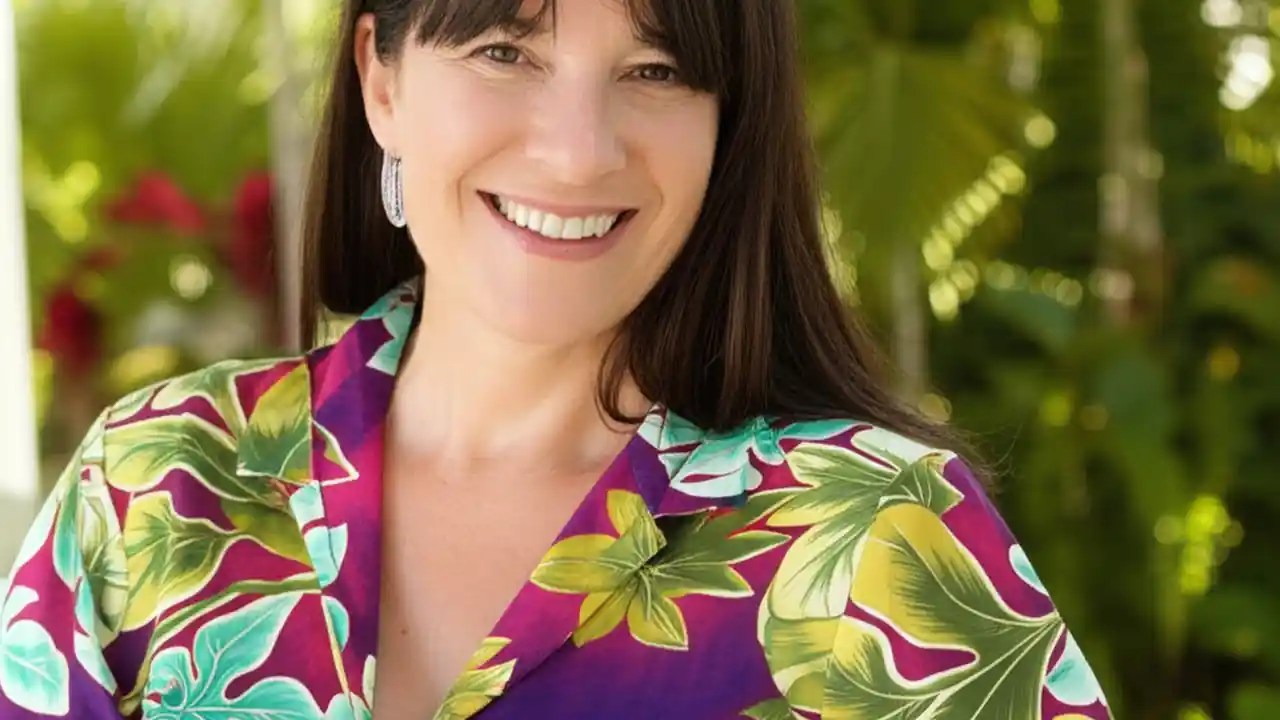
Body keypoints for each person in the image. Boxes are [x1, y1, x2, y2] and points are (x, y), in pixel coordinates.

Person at [0, 0, 1112, 718]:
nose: (576, 152)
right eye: (503, 51)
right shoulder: (155, 484)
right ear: (381, 81)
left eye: (658, 70)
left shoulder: (877, 539)